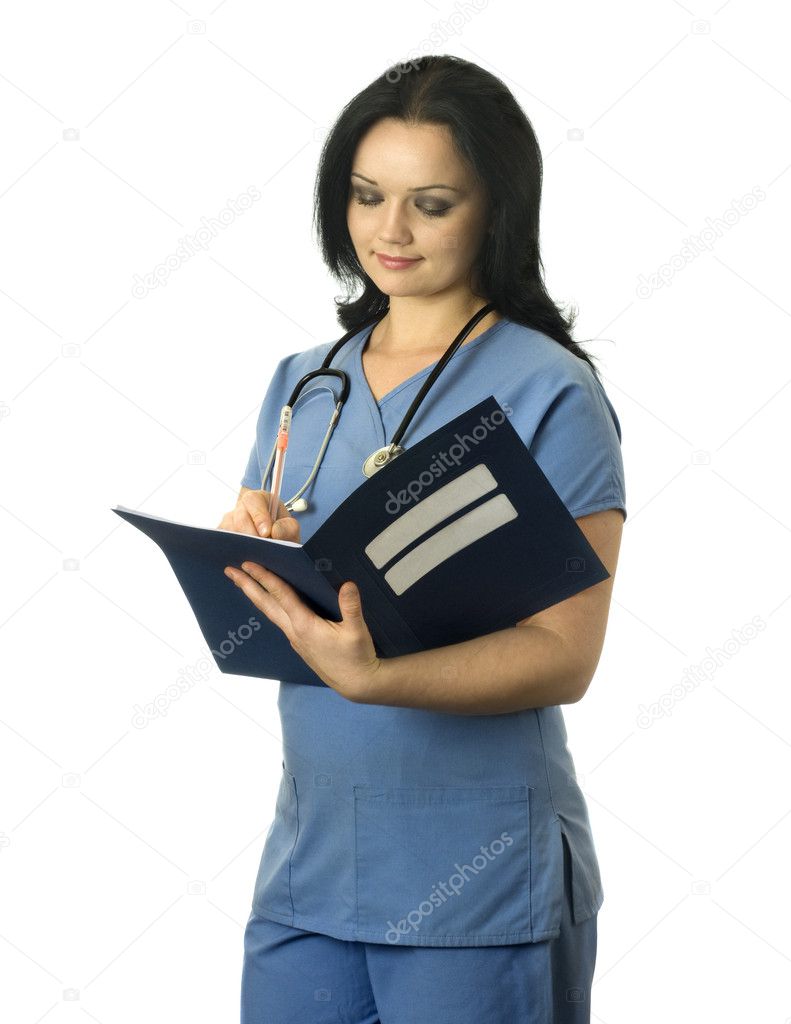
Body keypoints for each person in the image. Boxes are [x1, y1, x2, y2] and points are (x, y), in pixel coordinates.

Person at [219, 55, 626, 1024]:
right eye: (365, 196)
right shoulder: (301, 381)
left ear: (496, 208)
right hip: (308, 873)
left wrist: (378, 677)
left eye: (429, 202)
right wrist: (252, 552)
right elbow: (291, 614)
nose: (387, 231)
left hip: (478, 880)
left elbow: (563, 656)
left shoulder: (547, 390)